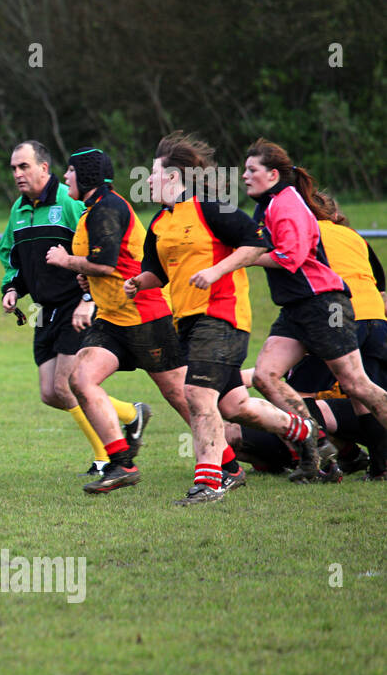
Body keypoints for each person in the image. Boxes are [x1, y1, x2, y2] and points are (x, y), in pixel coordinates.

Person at [122, 132, 309, 503]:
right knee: (234, 406)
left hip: (222, 313)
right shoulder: (159, 223)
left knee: (196, 392)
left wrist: (215, 271)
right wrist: (137, 283)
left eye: (153, 174)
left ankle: (210, 481)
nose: (147, 181)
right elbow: (156, 273)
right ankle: (304, 432)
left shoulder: (211, 207)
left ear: (174, 178)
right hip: (186, 321)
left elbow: (257, 241)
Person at [44, 147, 192, 494]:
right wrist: (86, 279)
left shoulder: (108, 208)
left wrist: (67, 262)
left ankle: (228, 457)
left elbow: (106, 264)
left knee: (181, 395)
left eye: (70, 172)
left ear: (87, 177)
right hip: (111, 319)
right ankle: (121, 463)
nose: (65, 178)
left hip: (145, 315)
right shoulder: (90, 210)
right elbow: (101, 266)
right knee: (80, 379)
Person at [0, 140, 149, 475]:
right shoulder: (19, 210)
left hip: (76, 304)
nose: (18, 174)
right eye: (13, 168)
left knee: (67, 386)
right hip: (43, 309)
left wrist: (89, 298)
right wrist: (12, 287)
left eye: (24, 166)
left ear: (43, 168)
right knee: (50, 393)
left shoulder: (69, 200)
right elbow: (11, 255)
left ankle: (105, 456)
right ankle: (130, 414)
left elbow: (97, 248)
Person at [244, 139, 387, 477]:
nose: (245, 176)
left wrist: (241, 259)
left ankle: (349, 454)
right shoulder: (263, 207)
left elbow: (291, 258)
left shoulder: (289, 203)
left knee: (355, 384)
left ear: (273, 173)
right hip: (295, 310)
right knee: (266, 375)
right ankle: (316, 450)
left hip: (322, 305)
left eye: (251, 170)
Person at [278, 198, 387, 478]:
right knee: (363, 392)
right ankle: (380, 468)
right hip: (375, 317)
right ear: (334, 213)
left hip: (335, 316)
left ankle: (322, 463)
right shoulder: (353, 237)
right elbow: (380, 285)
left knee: (300, 391)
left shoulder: (302, 235)